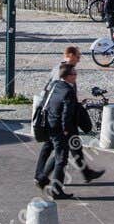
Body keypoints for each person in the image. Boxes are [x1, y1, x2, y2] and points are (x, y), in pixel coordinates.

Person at [40, 46, 104, 182]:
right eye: (78, 57)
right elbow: (55, 95)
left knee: (74, 148)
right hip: (61, 121)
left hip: (63, 119)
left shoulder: (67, 70)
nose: (79, 60)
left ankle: (86, 173)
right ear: (70, 55)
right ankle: (43, 177)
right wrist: (66, 128)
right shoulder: (61, 71)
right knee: (58, 152)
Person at [35, 61, 85, 199]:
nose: (76, 76)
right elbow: (66, 113)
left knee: (57, 155)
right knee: (61, 160)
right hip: (61, 130)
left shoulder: (55, 85)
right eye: (73, 73)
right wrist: (66, 130)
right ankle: (56, 191)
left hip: (50, 126)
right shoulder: (69, 91)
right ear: (67, 76)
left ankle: (42, 178)